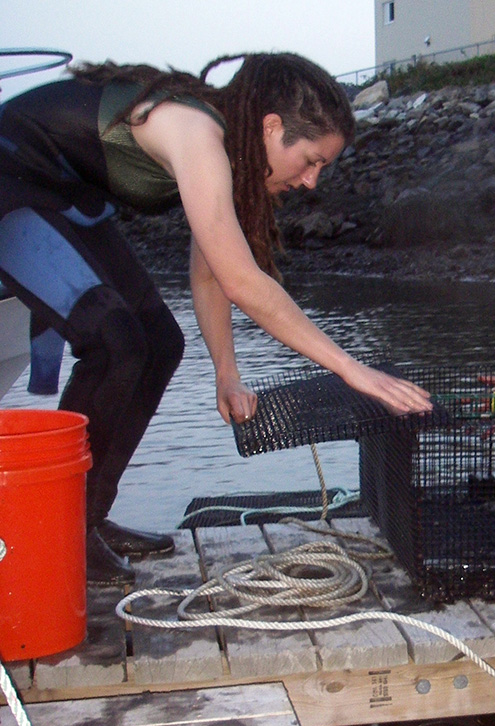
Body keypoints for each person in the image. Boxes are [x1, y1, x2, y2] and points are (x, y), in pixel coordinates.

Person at [0, 53, 432, 587]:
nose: (313, 181)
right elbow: (244, 283)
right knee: (117, 345)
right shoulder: (198, 133)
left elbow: (209, 274)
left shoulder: (231, 155)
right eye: (312, 160)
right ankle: (59, 531)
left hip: (64, 196)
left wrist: (227, 374)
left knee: (159, 341)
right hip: (11, 183)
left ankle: (86, 518)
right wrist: (353, 370)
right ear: (272, 128)